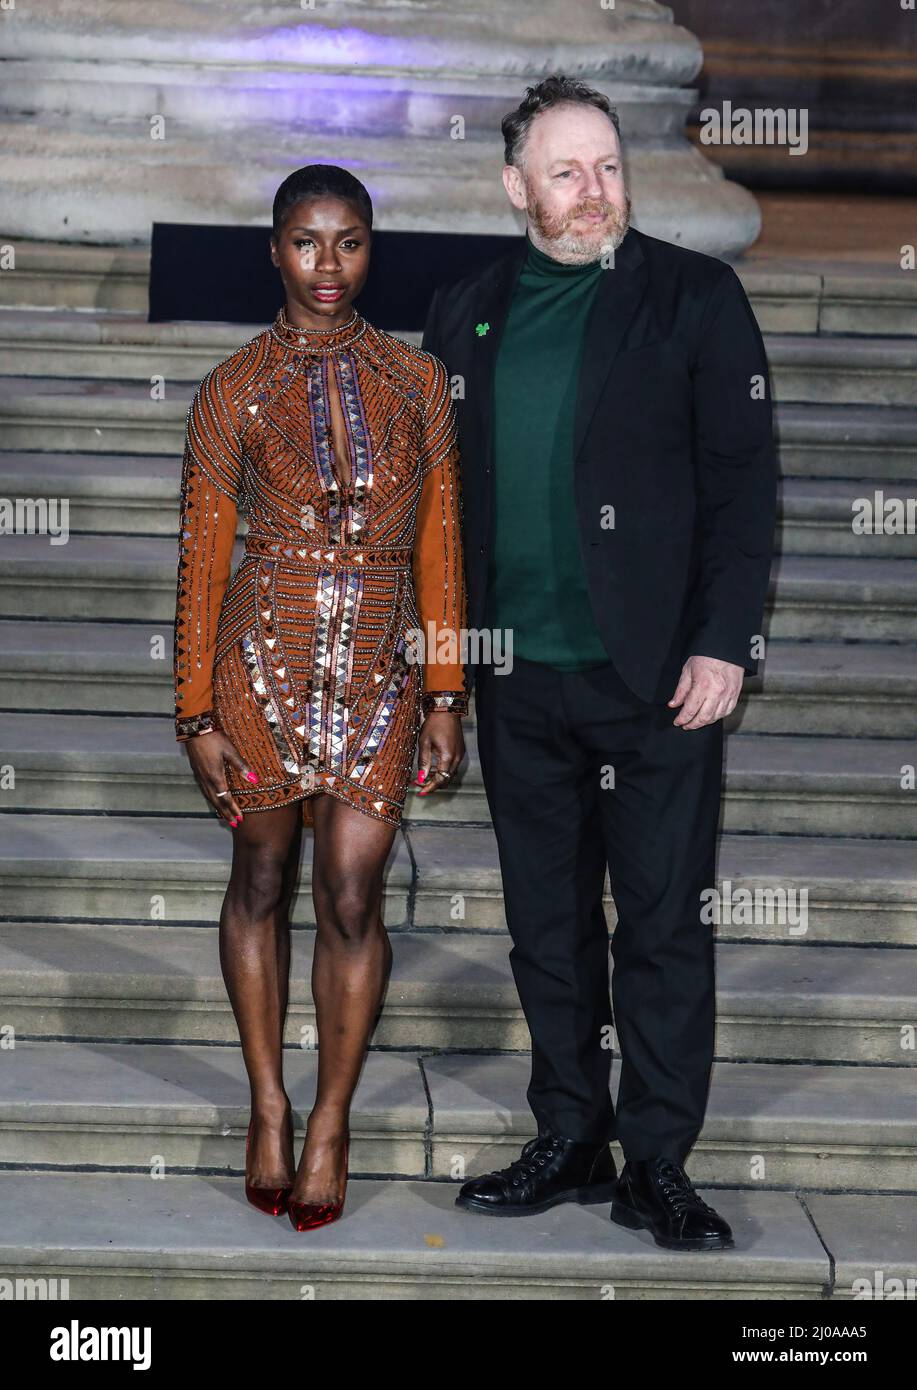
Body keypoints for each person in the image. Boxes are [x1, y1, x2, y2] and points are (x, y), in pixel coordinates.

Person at [422, 75, 776, 1250]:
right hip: (519, 680)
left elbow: (741, 486)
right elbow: (439, 508)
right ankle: (568, 1130)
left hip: (656, 680)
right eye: (565, 171)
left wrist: (723, 640)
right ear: (515, 185)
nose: (594, 192)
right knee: (547, 926)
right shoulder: (465, 312)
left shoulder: (693, 297)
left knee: (663, 925)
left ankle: (656, 1158)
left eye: (609, 166)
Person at [173, 164, 468, 1231]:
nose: (327, 265)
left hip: (381, 665)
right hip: (258, 657)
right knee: (259, 872)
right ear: (273, 250)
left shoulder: (416, 383)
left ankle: (331, 1119)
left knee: (350, 888)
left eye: (348, 242)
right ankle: (266, 1102)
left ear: (369, 249)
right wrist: (194, 712)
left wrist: (445, 690)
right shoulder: (231, 388)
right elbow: (204, 560)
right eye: (306, 241)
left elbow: (440, 541)